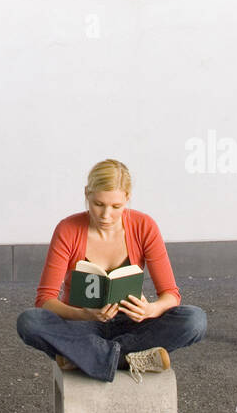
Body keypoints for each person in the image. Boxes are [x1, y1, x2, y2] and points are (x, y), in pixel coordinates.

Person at [17, 158, 206, 382]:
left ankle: (85, 356)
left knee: (195, 320)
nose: (106, 215)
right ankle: (128, 358)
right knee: (29, 322)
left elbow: (171, 295)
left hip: (133, 325)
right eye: (98, 204)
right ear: (87, 194)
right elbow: (45, 300)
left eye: (116, 207)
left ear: (127, 198)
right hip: (82, 325)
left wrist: (151, 310)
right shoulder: (68, 229)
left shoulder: (144, 226)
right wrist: (84, 314)